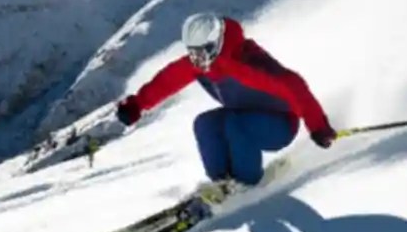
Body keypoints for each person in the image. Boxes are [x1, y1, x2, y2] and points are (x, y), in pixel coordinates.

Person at [114, 12, 336, 200]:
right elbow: (169, 80)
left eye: (203, 52)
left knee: (234, 123)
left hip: (280, 124)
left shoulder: (247, 62)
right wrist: (137, 104)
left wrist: (317, 126)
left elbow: (293, 85)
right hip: (245, 117)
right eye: (193, 52)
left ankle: (246, 185)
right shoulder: (200, 62)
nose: (198, 59)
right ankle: (221, 183)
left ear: (217, 43)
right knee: (205, 124)